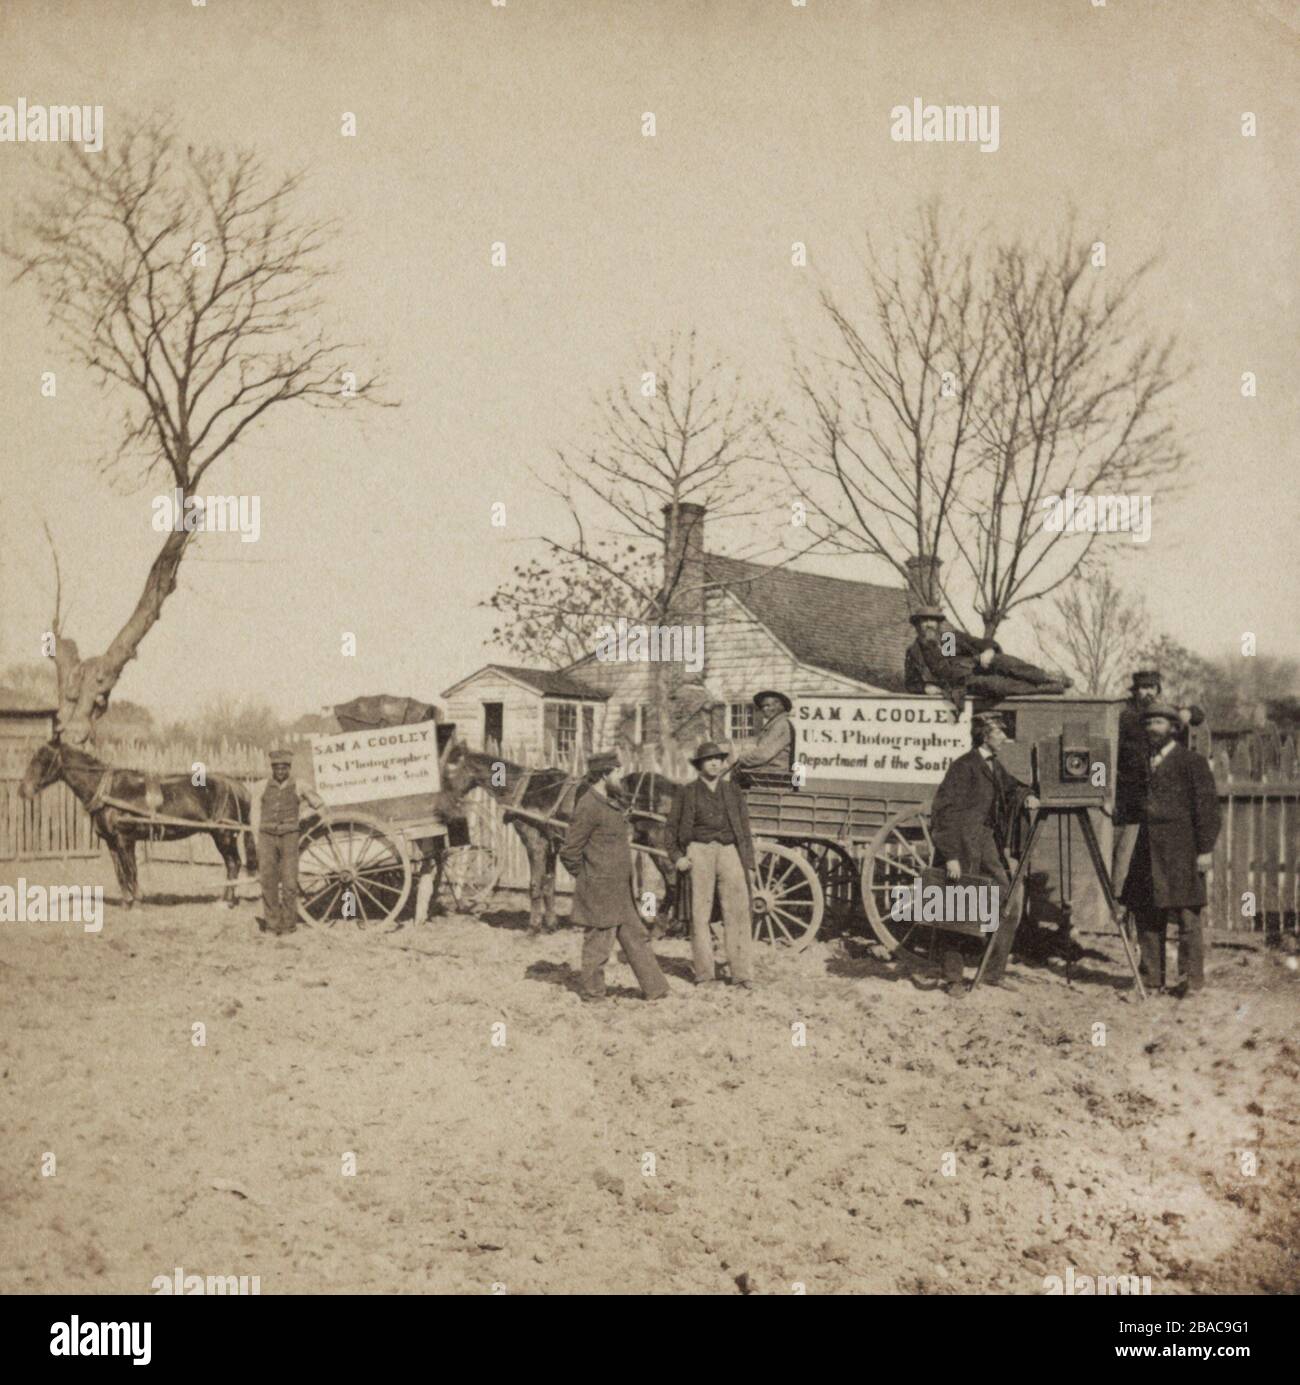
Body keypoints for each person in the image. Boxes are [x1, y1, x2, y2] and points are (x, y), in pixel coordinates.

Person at [928, 712, 1039, 989]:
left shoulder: (992, 765)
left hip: (985, 843)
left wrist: (1028, 797)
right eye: (998, 732)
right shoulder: (963, 767)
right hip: (962, 845)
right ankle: (953, 978)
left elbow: (1012, 788)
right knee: (956, 910)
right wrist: (951, 856)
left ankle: (992, 973)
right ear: (983, 735)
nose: (1004, 737)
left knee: (1007, 901)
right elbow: (943, 811)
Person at [1120, 702, 1221, 997]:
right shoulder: (1143, 764)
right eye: (1149, 723)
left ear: (1174, 729)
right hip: (1148, 850)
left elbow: (1208, 810)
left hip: (1182, 850)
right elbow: (1133, 806)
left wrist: (1204, 850)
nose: (1153, 729)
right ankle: (1152, 980)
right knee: (1148, 915)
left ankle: (1192, 982)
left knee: (1188, 918)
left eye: (1159, 723)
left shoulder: (1192, 763)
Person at [559, 751, 670, 1003]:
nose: (621, 776)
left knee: (636, 936)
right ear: (604, 774)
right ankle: (593, 994)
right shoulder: (587, 805)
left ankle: (656, 989)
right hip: (600, 889)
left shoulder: (610, 802)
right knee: (599, 942)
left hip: (620, 889)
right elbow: (570, 852)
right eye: (617, 772)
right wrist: (589, 878)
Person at [669, 741, 757, 990]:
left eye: (719, 759)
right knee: (700, 916)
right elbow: (670, 830)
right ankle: (705, 975)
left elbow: (745, 829)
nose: (716, 763)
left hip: (730, 852)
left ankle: (742, 974)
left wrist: (748, 862)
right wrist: (678, 857)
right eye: (710, 760)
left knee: (738, 914)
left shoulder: (732, 791)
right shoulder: (687, 793)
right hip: (699, 852)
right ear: (699, 765)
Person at [1112, 670, 1206, 898]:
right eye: (1143, 688)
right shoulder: (1125, 716)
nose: (1148, 692)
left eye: (1152, 688)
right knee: (1125, 855)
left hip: (1162, 799)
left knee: (1158, 855)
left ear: (1158, 690)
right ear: (1135, 691)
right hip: (1131, 797)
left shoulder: (1164, 715)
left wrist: (1187, 712)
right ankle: (1118, 905)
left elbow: (1199, 715)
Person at [903, 605, 1071, 708]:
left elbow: (980, 643)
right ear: (917, 625)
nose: (929, 625)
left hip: (974, 669)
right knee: (996, 685)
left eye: (933, 621)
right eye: (924, 621)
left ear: (938, 624)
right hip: (960, 685)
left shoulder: (947, 641)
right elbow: (911, 683)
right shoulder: (915, 652)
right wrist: (924, 688)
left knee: (1002, 661)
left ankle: (1047, 677)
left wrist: (989, 651)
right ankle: (1047, 688)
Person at [256, 747, 322, 936]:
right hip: (266, 836)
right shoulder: (261, 786)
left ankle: (288, 925)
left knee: (289, 882)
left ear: (289, 768)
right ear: (272, 768)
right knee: (268, 881)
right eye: (277, 768)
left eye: (284, 768)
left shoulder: (300, 785)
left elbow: (318, 805)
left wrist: (301, 817)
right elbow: (254, 814)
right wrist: (255, 838)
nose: (280, 772)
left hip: (289, 837)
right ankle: (271, 924)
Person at [730, 690, 794, 776]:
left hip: (775, 771)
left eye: (768, 706)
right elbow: (758, 743)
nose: (764, 709)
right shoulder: (774, 723)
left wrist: (739, 757)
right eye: (762, 706)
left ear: (780, 706)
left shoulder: (780, 725)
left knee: (734, 773)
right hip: (769, 768)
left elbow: (763, 754)